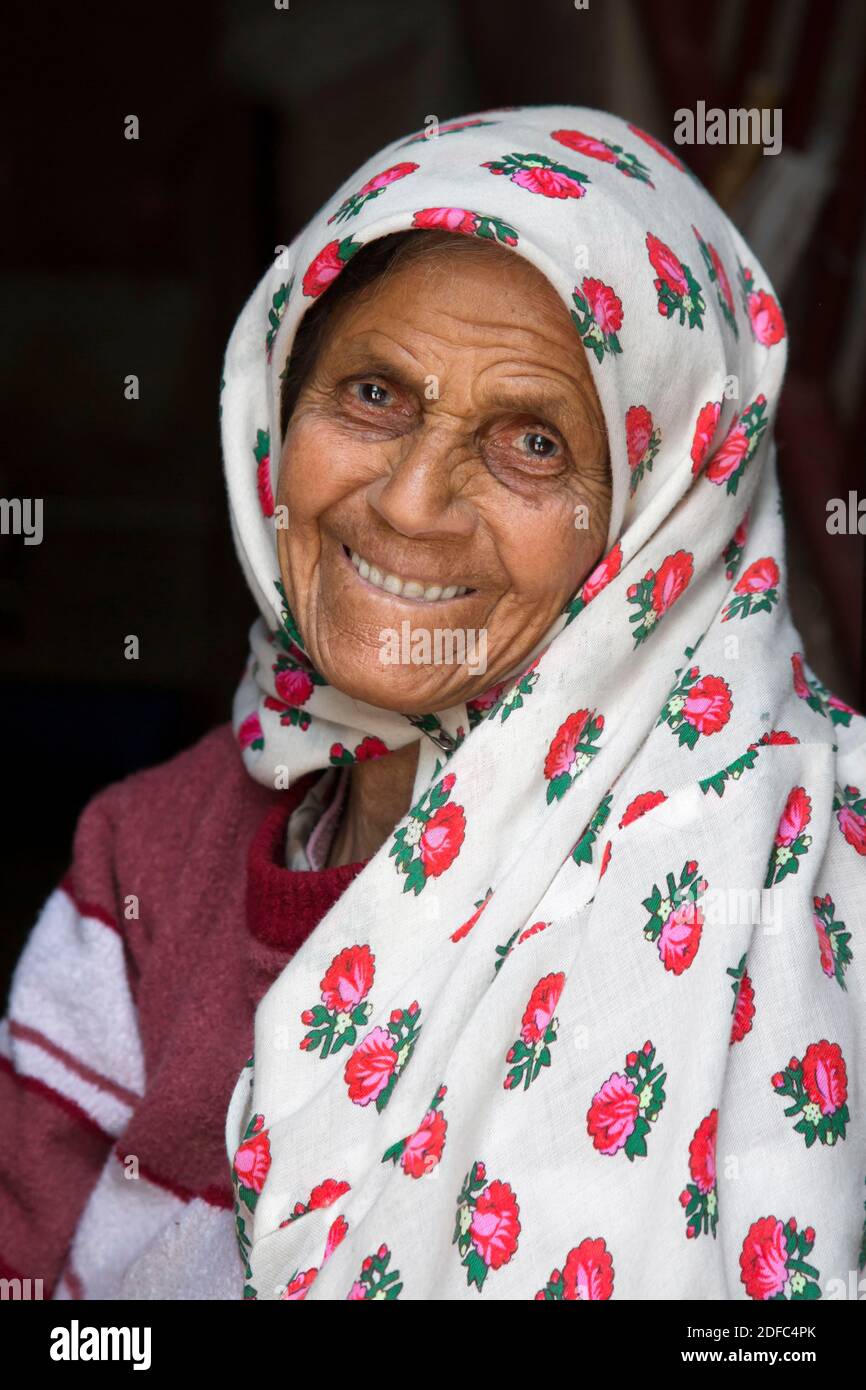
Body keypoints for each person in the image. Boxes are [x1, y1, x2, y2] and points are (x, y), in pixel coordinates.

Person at [2, 106, 864, 1302]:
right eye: (370, 392)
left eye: (528, 443)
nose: (410, 502)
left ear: (659, 515)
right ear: (277, 407)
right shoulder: (146, 856)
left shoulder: (802, 870)